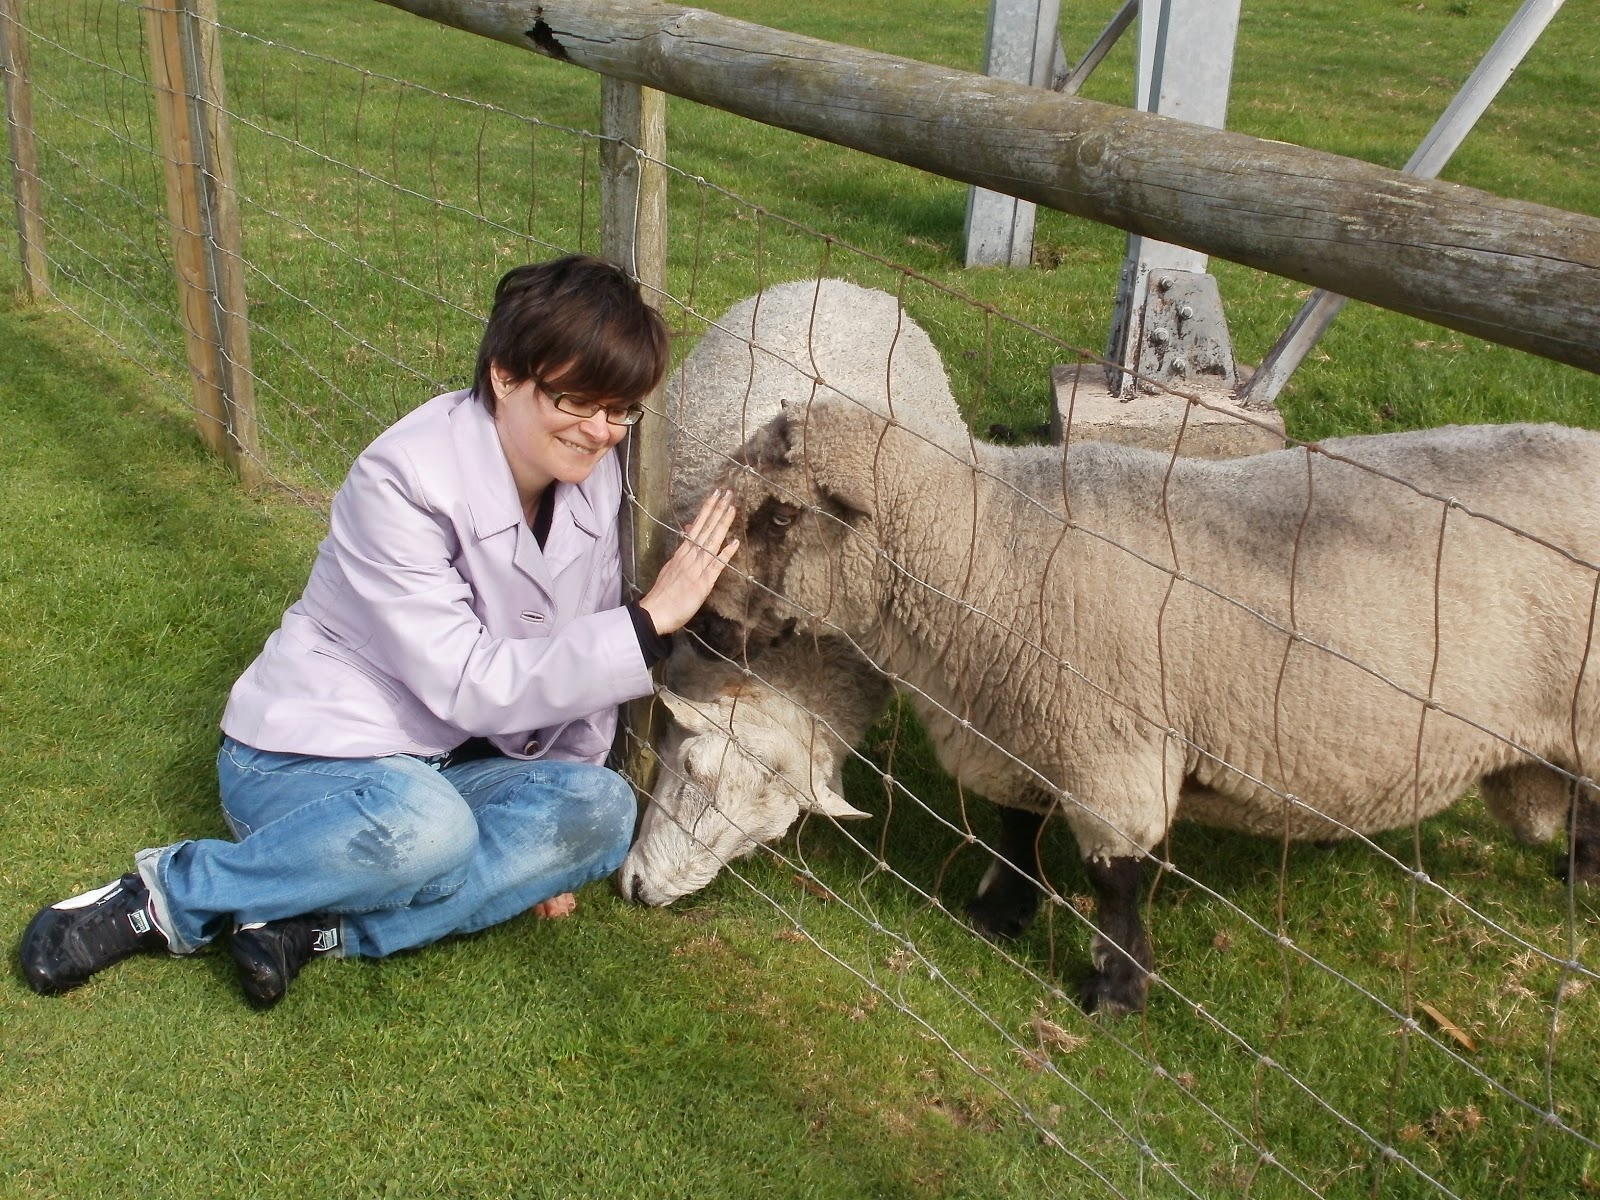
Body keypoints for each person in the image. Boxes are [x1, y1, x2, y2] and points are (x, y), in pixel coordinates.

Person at [19, 254, 739, 1007]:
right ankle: (166, 896)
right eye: (577, 400)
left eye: (621, 410)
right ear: (504, 375)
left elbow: (582, 646)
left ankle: (312, 927)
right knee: (430, 830)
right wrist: (646, 626)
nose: (600, 431)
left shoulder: (594, 474)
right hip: (311, 758)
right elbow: (469, 680)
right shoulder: (401, 479)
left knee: (600, 811)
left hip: (450, 767)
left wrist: (544, 845)